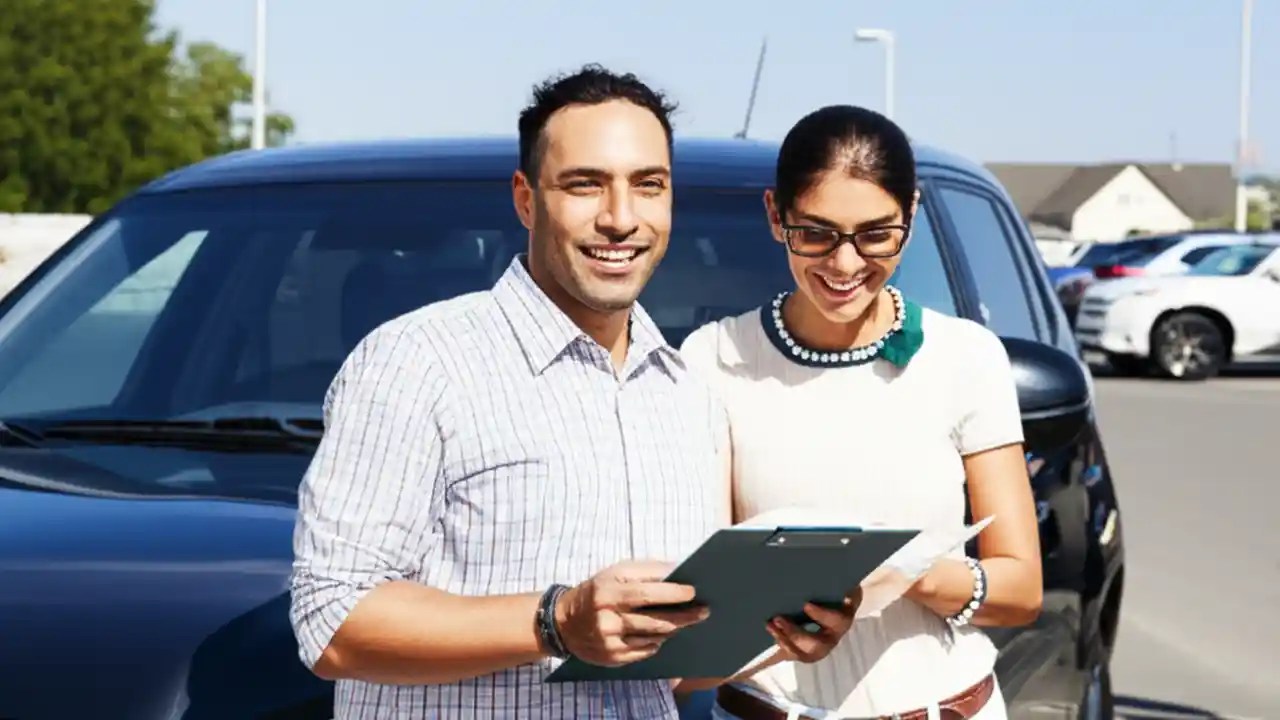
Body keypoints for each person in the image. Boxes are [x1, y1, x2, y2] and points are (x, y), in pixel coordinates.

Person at [289, 64, 751, 719]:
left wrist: (774, 636)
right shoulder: (416, 361)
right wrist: (555, 621)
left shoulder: (687, 396)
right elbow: (330, 621)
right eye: (585, 185)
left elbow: (665, 673)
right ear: (526, 199)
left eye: (648, 186)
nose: (621, 218)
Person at [677, 105, 1044, 720]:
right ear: (776, 216)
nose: (845, 265)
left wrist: (904, 573)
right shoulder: (714, 359)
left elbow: (1021, 588)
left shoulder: (965, 357)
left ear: (912, 217)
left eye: (876, 234)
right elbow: (705, 601)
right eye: (816, 233)